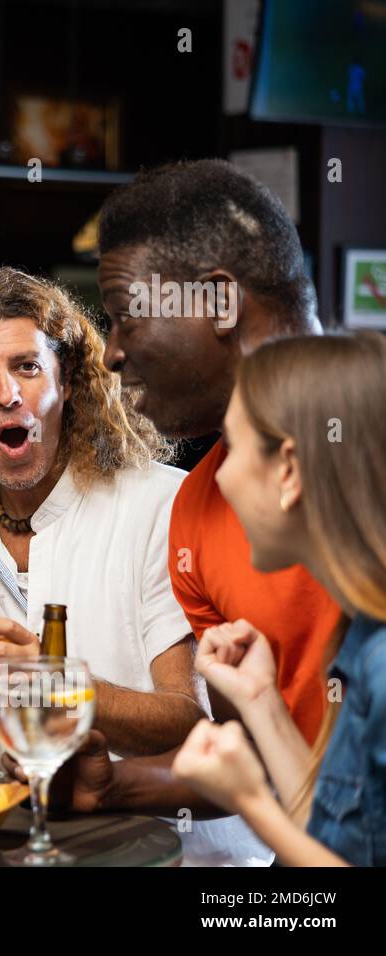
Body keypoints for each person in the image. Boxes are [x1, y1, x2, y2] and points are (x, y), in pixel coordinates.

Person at [0, 267, 206, 757]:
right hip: (12, 823)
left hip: (152, 830)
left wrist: (52, 681)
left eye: (28, 367)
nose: (7, 395)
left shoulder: (162, 508)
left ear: (69, 381)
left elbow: (189, 722)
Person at [99, 158, 338, 744]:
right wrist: (111, 788)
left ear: (218, 304)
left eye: (126, 317)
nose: (110, 354)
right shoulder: (196, 509)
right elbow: (255, 757)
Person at [170, 333, 386, 866]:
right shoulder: (361, 635)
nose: (219, 474)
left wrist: (248, 800)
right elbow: (334, 837)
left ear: (288, 471)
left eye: (234, 448)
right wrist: (261, 699)